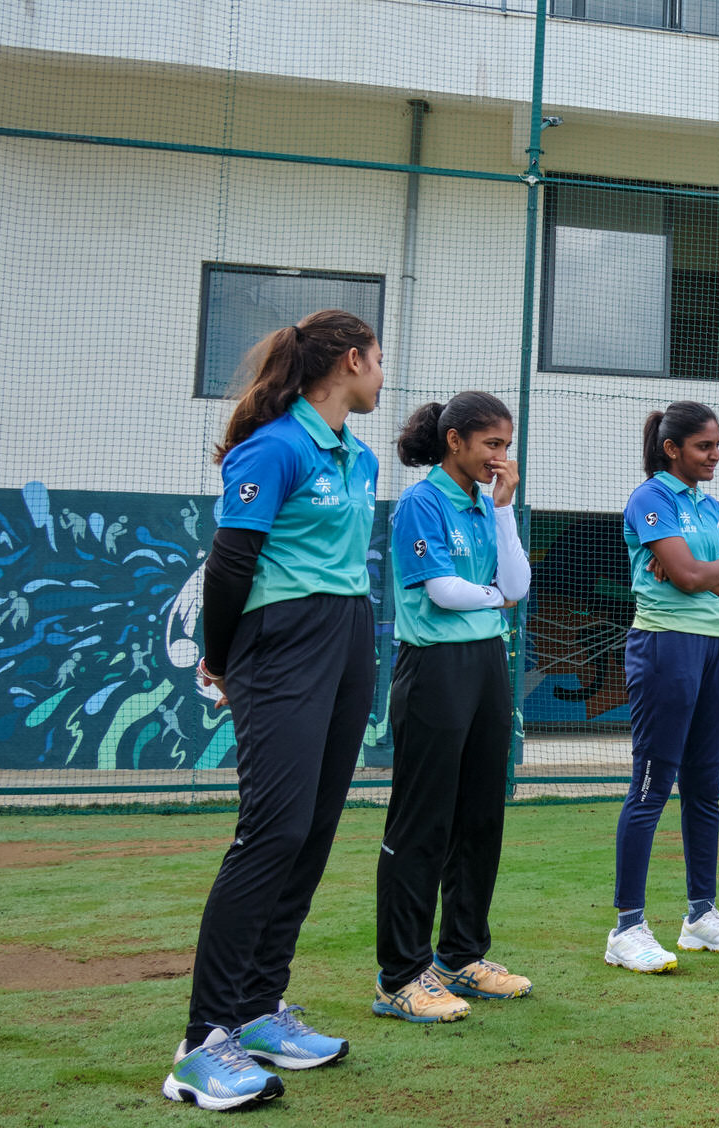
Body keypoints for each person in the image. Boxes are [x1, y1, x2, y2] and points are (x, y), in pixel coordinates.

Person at [168, 310, 383, 1110]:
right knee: (272, 832)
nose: (382, 376)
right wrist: (223, 659)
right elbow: (229, 567)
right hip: (279, 639)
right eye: (378, 360)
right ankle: (200, 1044)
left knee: (313, 829)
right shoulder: (276, 446)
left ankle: (259, 1012)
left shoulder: (355, 455)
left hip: (347, 631)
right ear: (353, 360)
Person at [374, 392, 533, 1023]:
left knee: (479, 819)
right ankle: (400, 976)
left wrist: (504, 514)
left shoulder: (482, 504)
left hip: (486, 666)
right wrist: (494, 596)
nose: (501, 457)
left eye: (506, 445)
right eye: (492, 444)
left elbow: (514, 587)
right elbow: (442, 593)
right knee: (423, 824)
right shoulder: (421, 502)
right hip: (434, 669)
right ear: (455, 442)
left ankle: (461, 957)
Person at [605, 402, 719, 973]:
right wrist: (703, 568)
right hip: (666, 645)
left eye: (717, 446)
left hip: (715, 647)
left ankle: (700, 917)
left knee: (706, 788)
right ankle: (626, 927)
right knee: (651, 787)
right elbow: (700, 575)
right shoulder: (651, 499)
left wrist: (699, 568)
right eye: (704, 447)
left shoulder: (711, 505)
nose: (715, 456)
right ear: (673, 448)